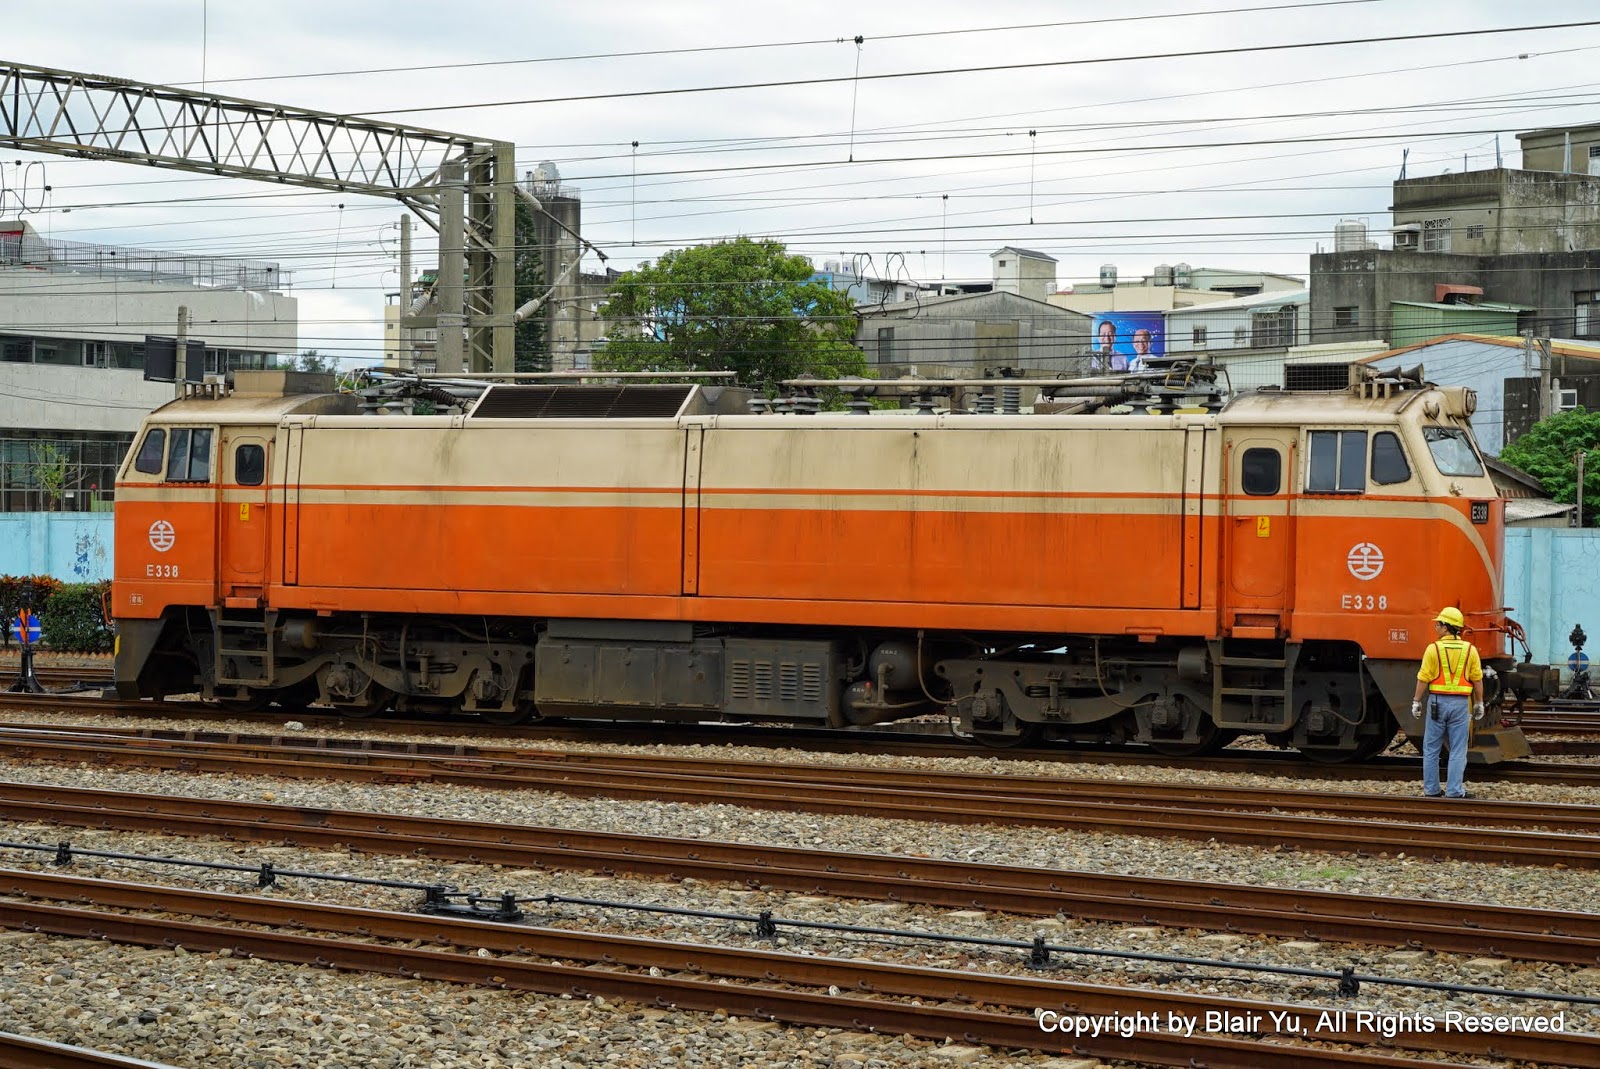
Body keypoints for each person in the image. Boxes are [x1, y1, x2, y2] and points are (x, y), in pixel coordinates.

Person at [1410, 606, 1484, 799]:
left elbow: (1423, 678)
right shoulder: (1470, 650)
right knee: (1458, 749)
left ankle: (1432, 790)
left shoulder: (1433, 649)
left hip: (1437, 703)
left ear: (1446, 627)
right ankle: (1454, 791)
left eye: (1438, 624)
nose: (1435, 627)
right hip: (1460, 705)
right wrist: (1479, 702)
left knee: (1431, 749)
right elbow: (1477, 679)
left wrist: (1416, 701)